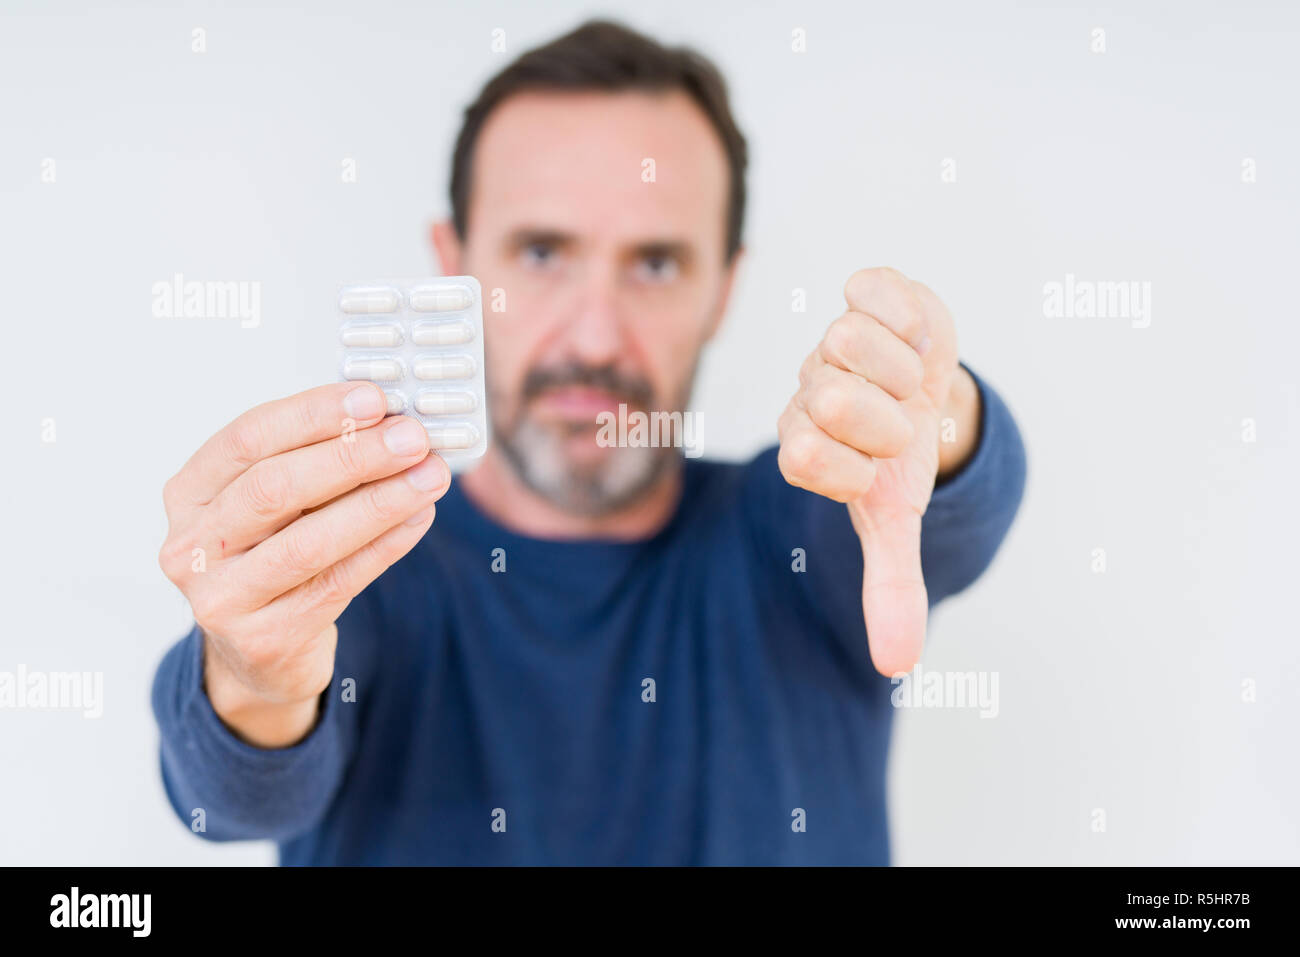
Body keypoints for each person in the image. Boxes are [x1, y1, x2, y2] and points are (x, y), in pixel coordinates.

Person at [152, 19, 1026, 865]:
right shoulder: (363, 563)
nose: (596, 337)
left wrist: (931, 416)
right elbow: (232, 793)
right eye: (541, 251)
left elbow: (938, 506)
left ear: (723, 290)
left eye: (655, 263)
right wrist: (255, 677)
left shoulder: (797, 534)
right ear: (456, 266)